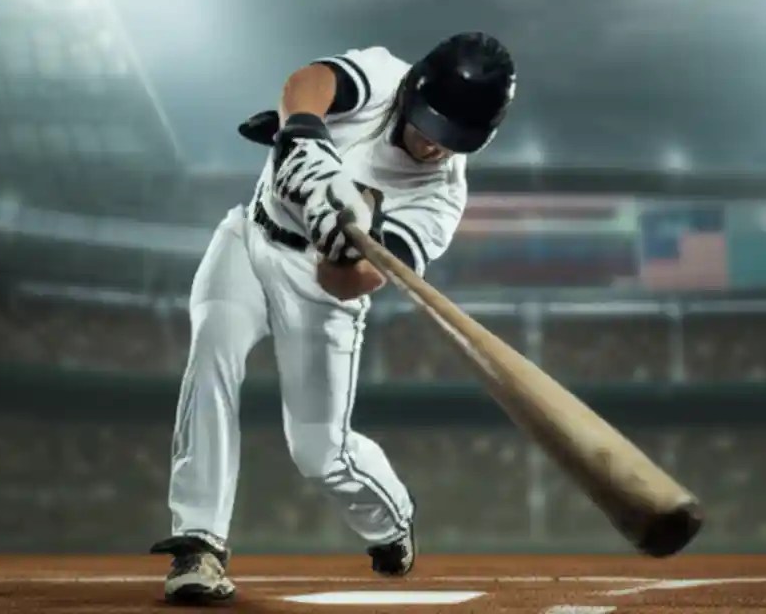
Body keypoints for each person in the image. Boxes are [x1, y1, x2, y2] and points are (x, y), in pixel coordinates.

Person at [148, 32, 516, 604]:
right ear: (414, 90)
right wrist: (303, 132)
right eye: (430, 126)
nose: (435, 146)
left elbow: (350, 282)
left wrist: (338, 247)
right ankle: (199, 540)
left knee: (319, 452)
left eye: (454, 139)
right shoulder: (383, 77)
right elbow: (306, 85)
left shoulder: (440, 197)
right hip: (250, 237)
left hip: (321, 292)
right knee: (212, 349)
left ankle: (390, 522)